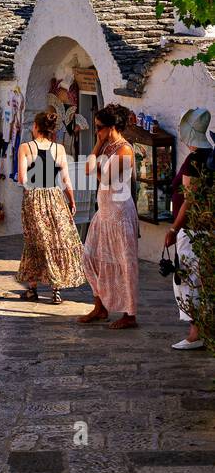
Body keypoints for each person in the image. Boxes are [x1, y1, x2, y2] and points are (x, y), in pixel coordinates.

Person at [78, 103, 139, 329]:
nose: (97, 131)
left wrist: (97, 165)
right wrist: (99, 143)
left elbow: (105, 178)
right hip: (103, 212)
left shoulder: (125, 150)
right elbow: (88, 169)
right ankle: (100, 306)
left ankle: (130, 314)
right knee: (91, 258)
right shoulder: (106, 147)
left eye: (100, 127)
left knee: (124, 264)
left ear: (112, 126)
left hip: (120, 213)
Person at [16, 108, 85, 305]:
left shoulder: (26, 148)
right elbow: (66, 180)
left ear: (36, 127)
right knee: (55, 241)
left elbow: (22, 178)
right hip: (55, 196)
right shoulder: (59, 149)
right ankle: (56, 290)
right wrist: (71, 200)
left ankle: (32, 288)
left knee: (34, 242)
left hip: (34, 197)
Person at [164, 110, 212, 350]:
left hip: (192, 230)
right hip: (206, 229)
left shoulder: (195, 162)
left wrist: (173, 229)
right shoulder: (210, 156)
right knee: (202, 278)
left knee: (187, 279)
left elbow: (189, 200)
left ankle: (195, 333)